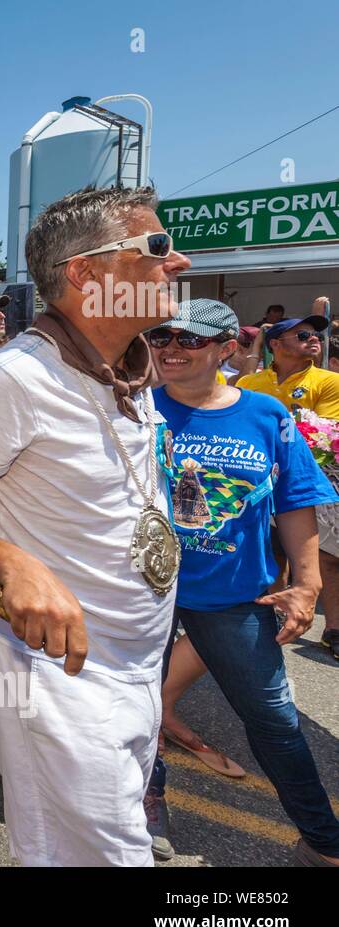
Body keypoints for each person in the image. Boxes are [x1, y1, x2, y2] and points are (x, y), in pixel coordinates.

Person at [0, 185, 193, 866]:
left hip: (139, 659)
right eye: (156, 246)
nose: (178, 261)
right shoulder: (13, 380)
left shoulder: (129, 372)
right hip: (59, 673)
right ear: (87, 273)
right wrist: (17, 565)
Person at [143, 298, 339, 867]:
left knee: (274, 720)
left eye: (189, 340)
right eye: (161, 338)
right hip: (143, 592)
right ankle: (147, 803)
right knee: (137, 710)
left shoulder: (265, 414)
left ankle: (323, 841)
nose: (171, 349)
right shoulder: (134, 409)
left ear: (227, 348)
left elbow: (295, 500)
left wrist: (307, 584)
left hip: (234, 594)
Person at [235, 310, 339, 660]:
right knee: (272, 550)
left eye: (317, 336)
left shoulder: (329, 381)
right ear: (276, 344)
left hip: (311, 479)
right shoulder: (250, 384)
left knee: (327, 557)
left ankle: (334, 628)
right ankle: (277, 616)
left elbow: (323, 435)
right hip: (259, 480)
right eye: (303, 335)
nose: (314, 340)